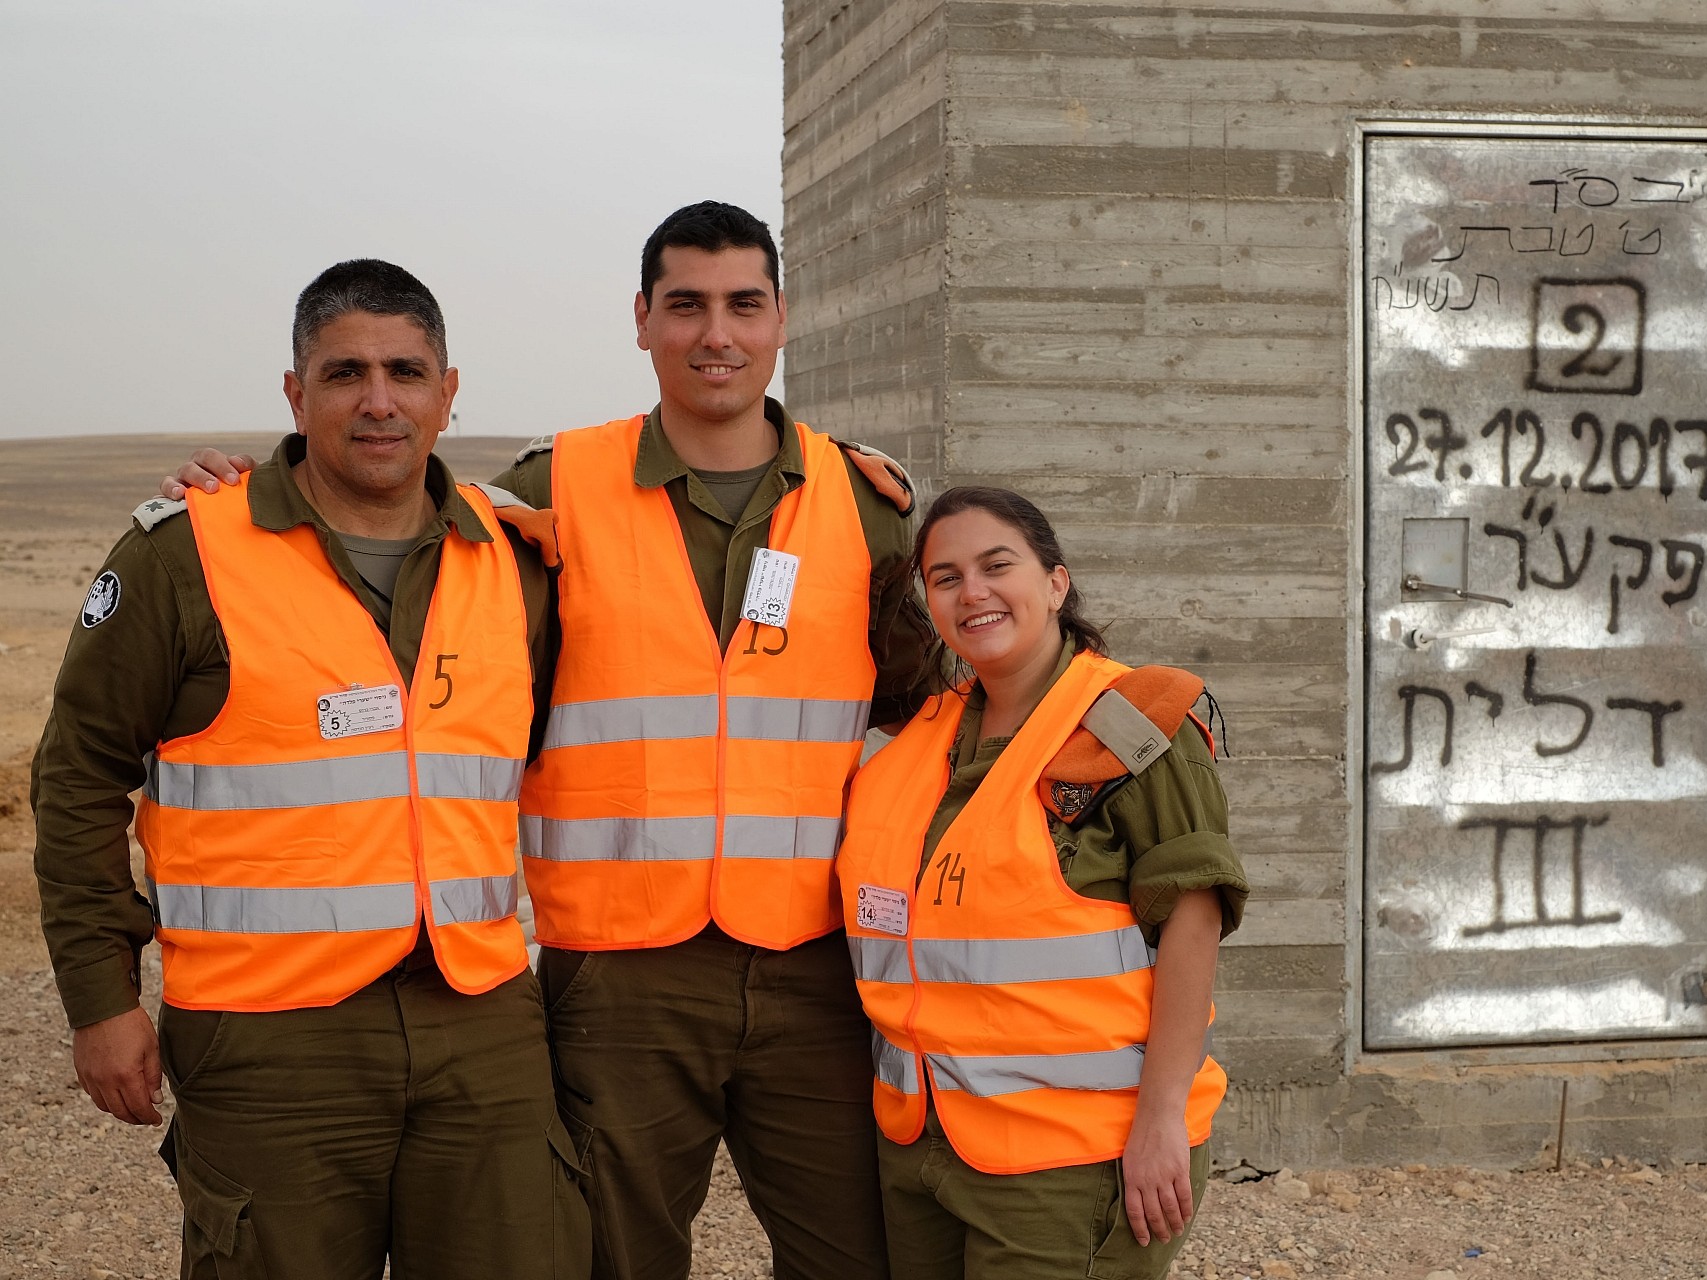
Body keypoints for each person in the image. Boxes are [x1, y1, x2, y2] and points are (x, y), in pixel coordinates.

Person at [164, 203, 925, 1279]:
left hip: (811, 967)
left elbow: (943, 708)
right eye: (686, 305)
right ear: (641, 320)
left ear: (780, 319)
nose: (716, 332)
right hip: (614, 977)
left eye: (742, 304)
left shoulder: (868, 504)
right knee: (608, 1258)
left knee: (864, 1254)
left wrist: (1100, 700)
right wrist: (241, 501)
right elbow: (372, 518)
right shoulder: (544, 492)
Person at [35, 259, 588, 1278]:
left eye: (405, 371)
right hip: (267, 1038)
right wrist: (99, 996)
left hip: (479, 1021)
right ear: (295, 393)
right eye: (344, 373)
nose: (378, 400)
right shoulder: (187, 554)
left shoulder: (513, 561)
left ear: (447, 391)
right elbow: (77, 774)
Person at [837, 486, 1249, 1280]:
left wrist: (1162, 1120)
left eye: (998, 566)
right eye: (946, 577)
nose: (973, 592)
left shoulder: (1127, 726)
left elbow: (1193, 922)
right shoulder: (917, 743)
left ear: (1056, 584)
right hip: (924, 1149)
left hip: (1074, 1160)